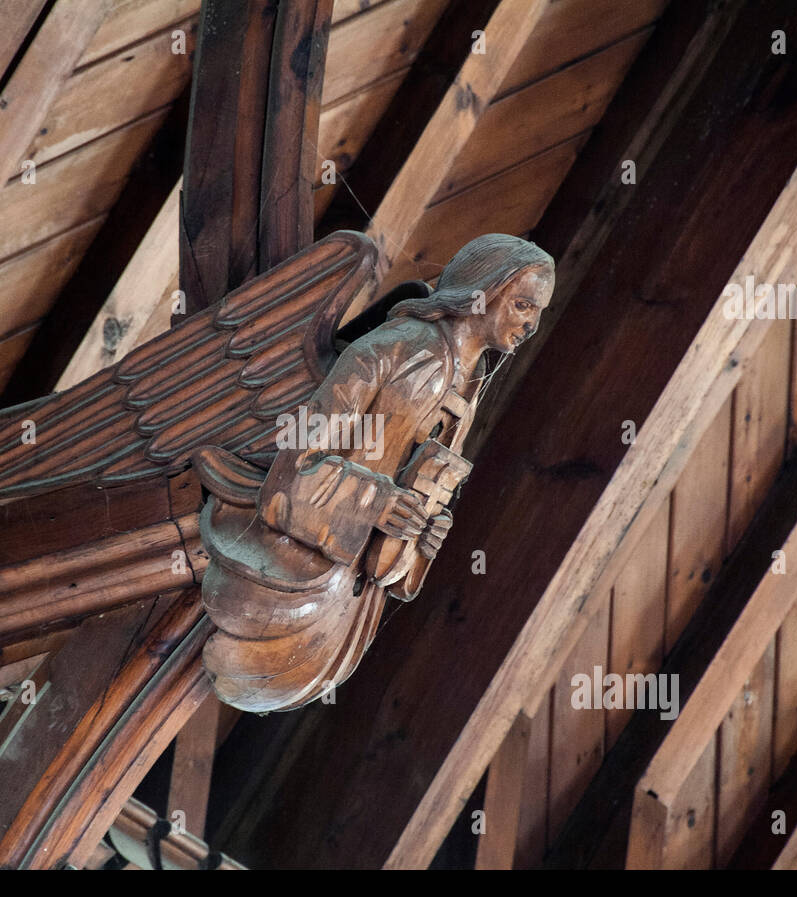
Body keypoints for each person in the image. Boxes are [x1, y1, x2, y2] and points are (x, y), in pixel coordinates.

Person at [195, 234, 555, 712]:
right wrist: (378, 502)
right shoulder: (394, 348)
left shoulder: (465, 394)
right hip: (283, 582)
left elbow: (406, 510)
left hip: (346, 601)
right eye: (523, 304)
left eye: (536, 313)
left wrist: (420, 535)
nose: (529, 325)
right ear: (480, 291)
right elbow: (292, 471)